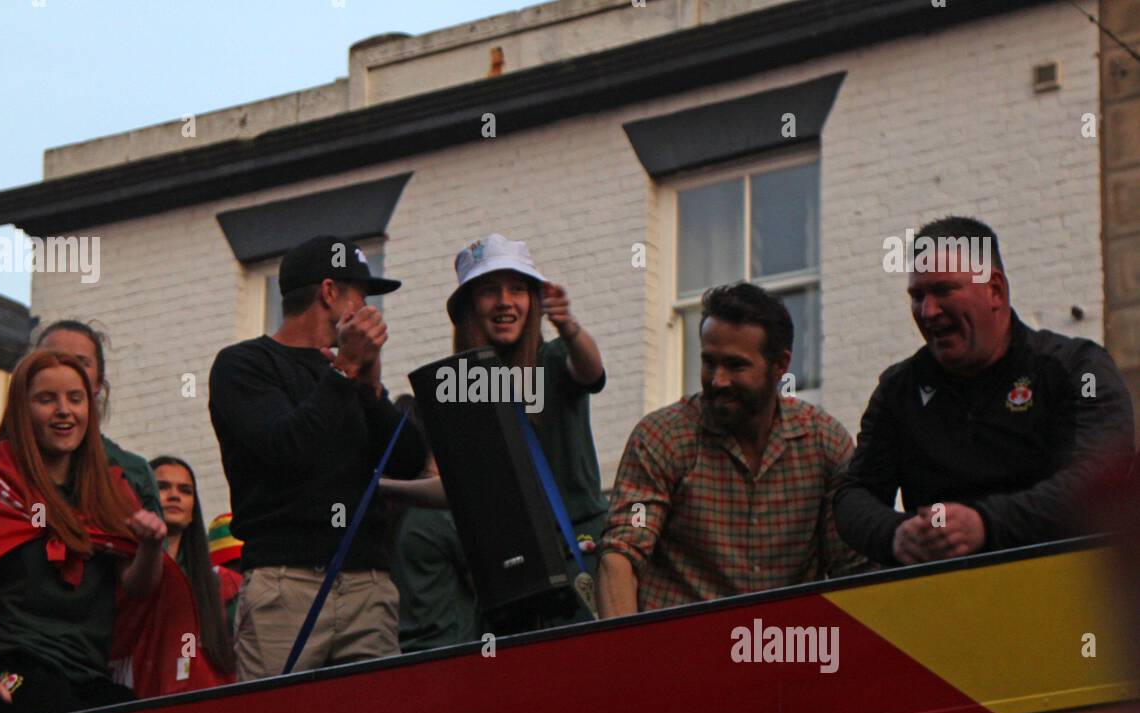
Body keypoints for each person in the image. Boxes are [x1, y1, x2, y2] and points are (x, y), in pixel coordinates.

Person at [0, 350, 219, 713]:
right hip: (12, 666)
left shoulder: (110, 491)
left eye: (75, 399)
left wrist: (149, 547)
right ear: (21, 410)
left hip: (87, 674)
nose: (64, 410)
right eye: (47, 400)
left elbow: (137, 589)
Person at [834, 216, 1135, 566]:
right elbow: (854, 493)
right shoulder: (898, 390)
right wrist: (897, 535)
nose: (928, 311)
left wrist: (985, 525)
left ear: (995, 290)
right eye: (917, 296)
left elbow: (1101, 476)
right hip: (942, 604)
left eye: (944, 290)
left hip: (1064, 595)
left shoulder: (1076, 369)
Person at [209, 235, 427, 679]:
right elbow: (286, 448)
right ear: (330, 293)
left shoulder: (348, 379)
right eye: (361, 296)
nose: (371, 311)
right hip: (285, 583)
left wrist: (370, 389)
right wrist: (344, 369)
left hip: (367, 583)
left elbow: (408, 460)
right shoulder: (245, 364)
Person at [597, 284, 866, 617]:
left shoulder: (823, 442)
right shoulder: (661, 437)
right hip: (682, 649)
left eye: (736, 366)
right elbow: (622, 552)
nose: (718, 380)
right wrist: (623, 656)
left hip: (782, 649)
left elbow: (854, 568)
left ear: (780, 364)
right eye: (709, 362)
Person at [384, 234, 607, 630]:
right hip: (509, 577)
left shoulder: (553, 360)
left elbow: (590, 370)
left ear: (533, 302)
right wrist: (383, 486)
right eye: (489, 291)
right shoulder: (458, 389)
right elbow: (458, 489)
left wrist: (569, 326)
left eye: (517, 289)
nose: (505, 300)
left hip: (578, 558)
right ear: (470, 308)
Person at [0, 319, 161, 516]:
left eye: (81, 362)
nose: (65, 368)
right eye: (52, 357)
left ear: (99, 381)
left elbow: (153, 543)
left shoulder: (132, 472)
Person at [385, 396, 479, 652]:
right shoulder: (438, 514)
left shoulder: (386, 512)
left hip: (402, 652)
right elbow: (483, 582)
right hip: (450, 649)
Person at [151, 455, 237, 677]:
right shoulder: (122, 574)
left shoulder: (220, 584)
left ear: (193, 511)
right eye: (162, 487)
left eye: (185, 491)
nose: (174, 496)